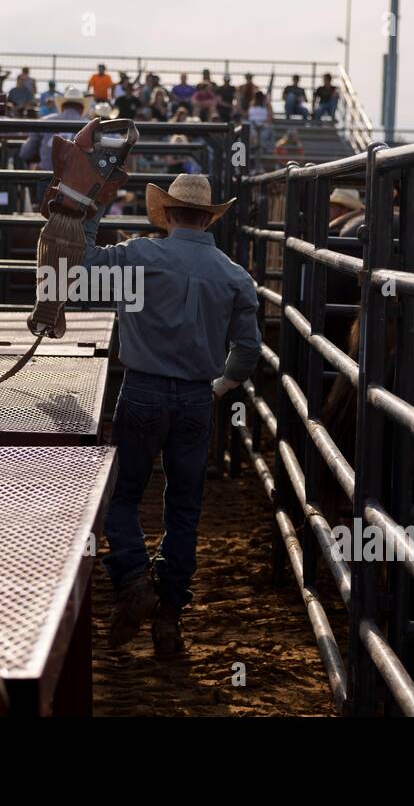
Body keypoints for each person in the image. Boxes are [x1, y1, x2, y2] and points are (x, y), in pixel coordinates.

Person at [79, 170, 260, 656]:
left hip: (141, 390)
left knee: (121, 496)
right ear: (207, 217)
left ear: (169, 213)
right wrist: (219, 387)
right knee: (183, 510)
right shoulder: (235, 276)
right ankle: (169, 621)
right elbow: (247, 351)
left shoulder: (140, 256)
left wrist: (90, 209)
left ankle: (135, 577)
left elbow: (82, 261)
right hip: (197, 399)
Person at [19, 86, 87, 172]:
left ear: (62, 107)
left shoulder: (44, 121)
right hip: (77, 180)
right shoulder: (89, 126)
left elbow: (25, 153)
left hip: (47, 177)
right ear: (82, 109)